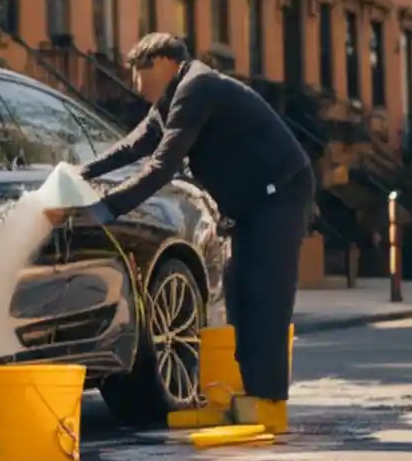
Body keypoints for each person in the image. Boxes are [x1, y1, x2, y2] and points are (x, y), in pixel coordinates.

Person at [45, 33, 315, 434]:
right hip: (249, 205)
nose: (136, 84)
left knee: (267, 295)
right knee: (240, 295)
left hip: (281, 195)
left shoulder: (197, 88)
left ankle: (271, 404)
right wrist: (81, 174)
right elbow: (135, 145)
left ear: (165, 62)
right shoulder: (174, 98)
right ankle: (254, 395)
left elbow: (162, 165)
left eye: (141, 72)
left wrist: (105, 208)